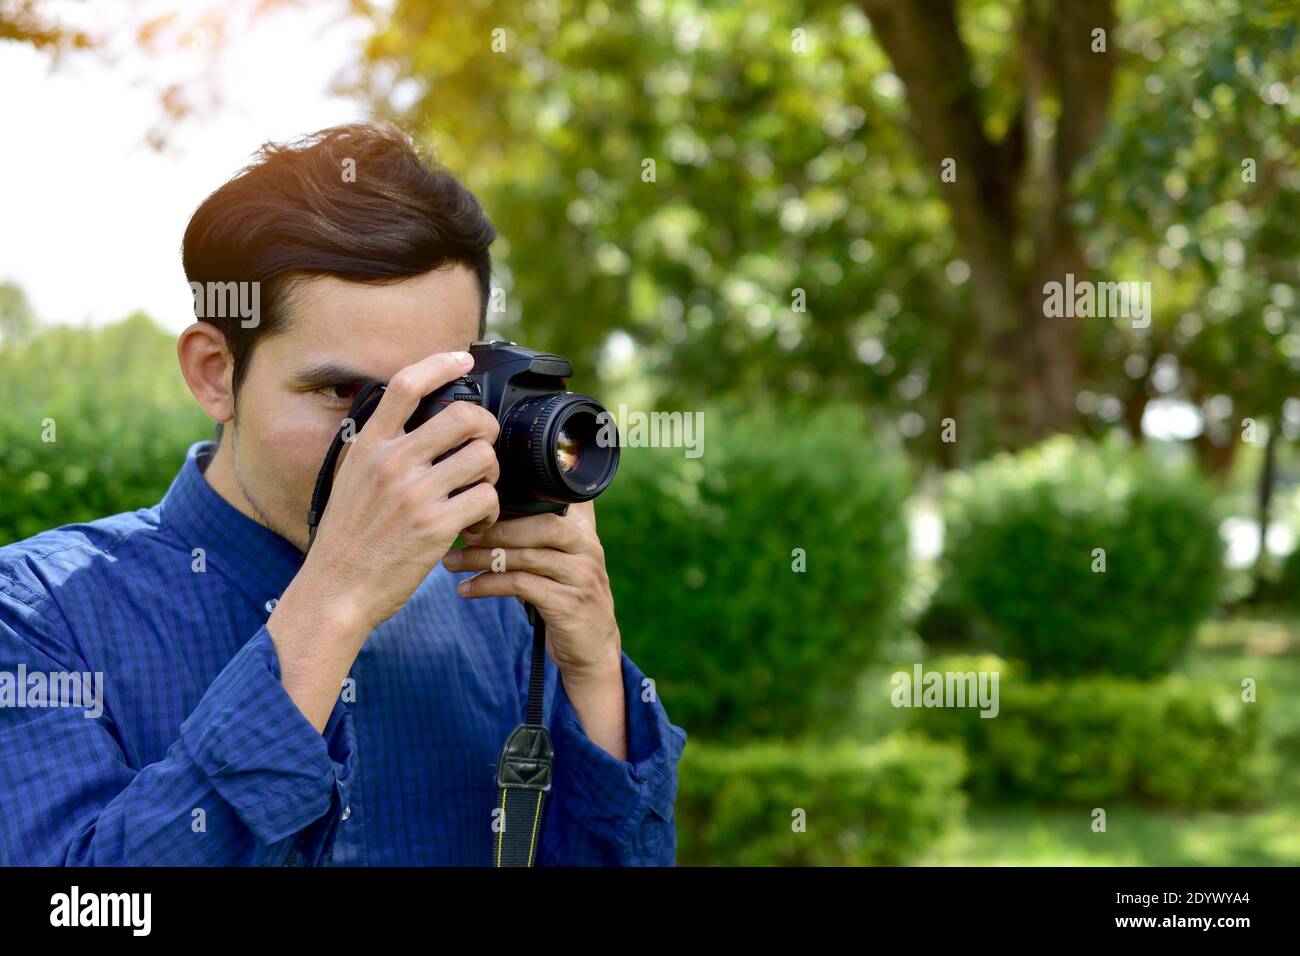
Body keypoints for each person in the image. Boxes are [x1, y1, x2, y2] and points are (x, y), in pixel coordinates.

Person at [0, 122, 686, 866]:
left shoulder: (495, 606)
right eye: (343, 392)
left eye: (432, 394)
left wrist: (593, 674)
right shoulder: (38, 616)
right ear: (213, 372)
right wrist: (332, 604)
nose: (392, 449)